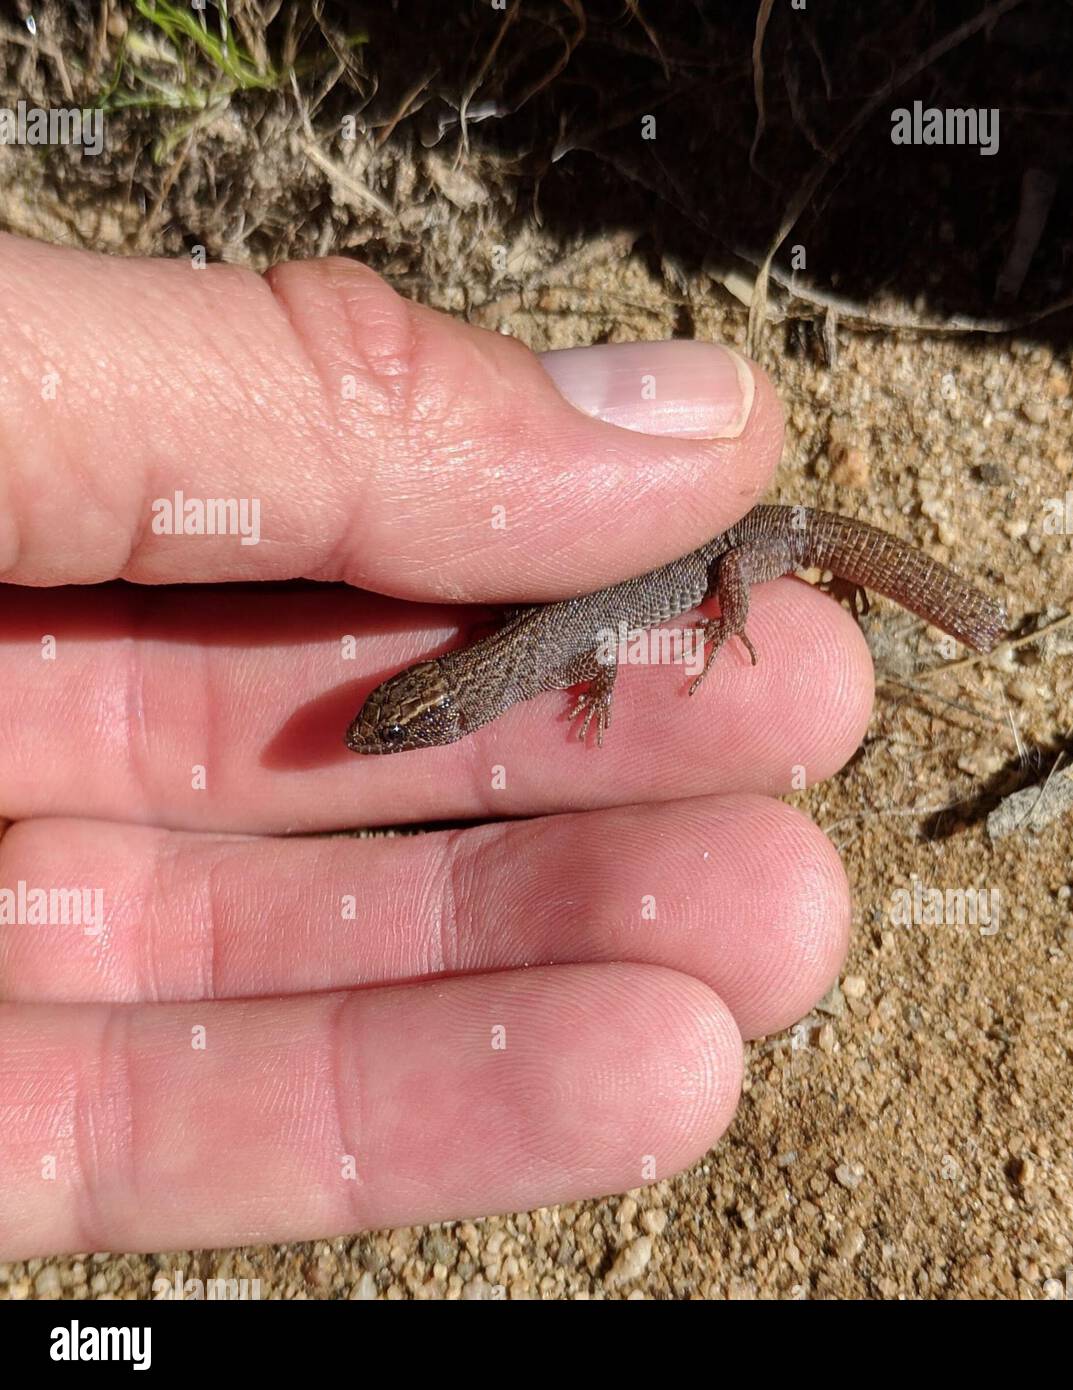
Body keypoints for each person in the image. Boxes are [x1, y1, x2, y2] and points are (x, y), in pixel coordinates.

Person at [0, 234, 872, 1258]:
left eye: (399, 725)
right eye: (395, 719)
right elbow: (570, 639)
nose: (382, 731)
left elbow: (584, 637)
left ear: (450, 718)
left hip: (749, 545)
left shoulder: (515, 670)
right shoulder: (501, 672)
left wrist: (662, 642)